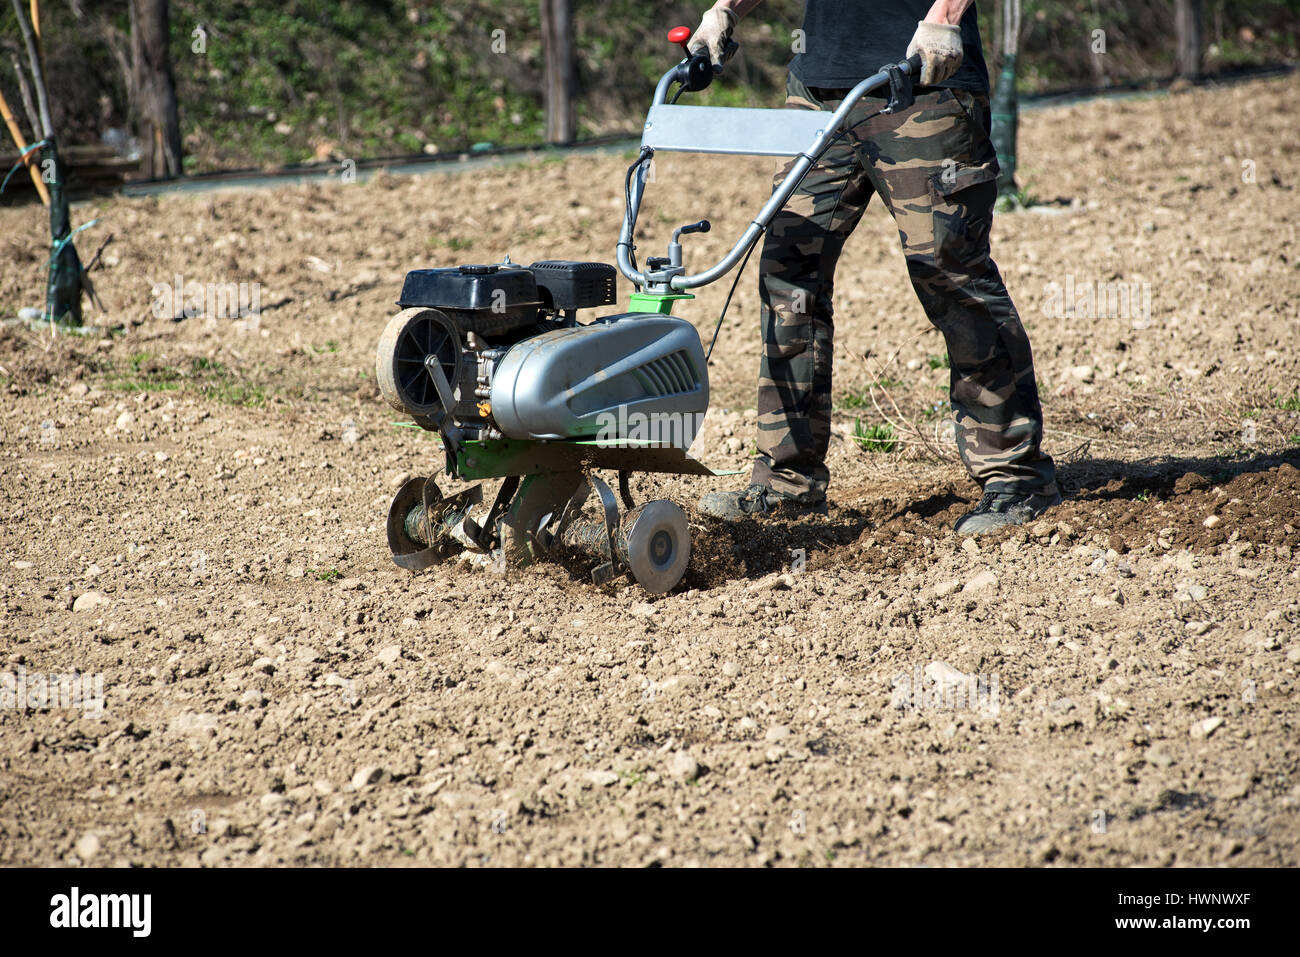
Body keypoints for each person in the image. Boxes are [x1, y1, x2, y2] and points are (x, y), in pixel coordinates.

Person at [692, 0, 1061, 535]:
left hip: (925, 79)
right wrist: (725, 10)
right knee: (788, 273)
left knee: (949, 270)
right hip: (819, 89)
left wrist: (947, 16)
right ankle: (786, 483)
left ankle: (1017, 476)